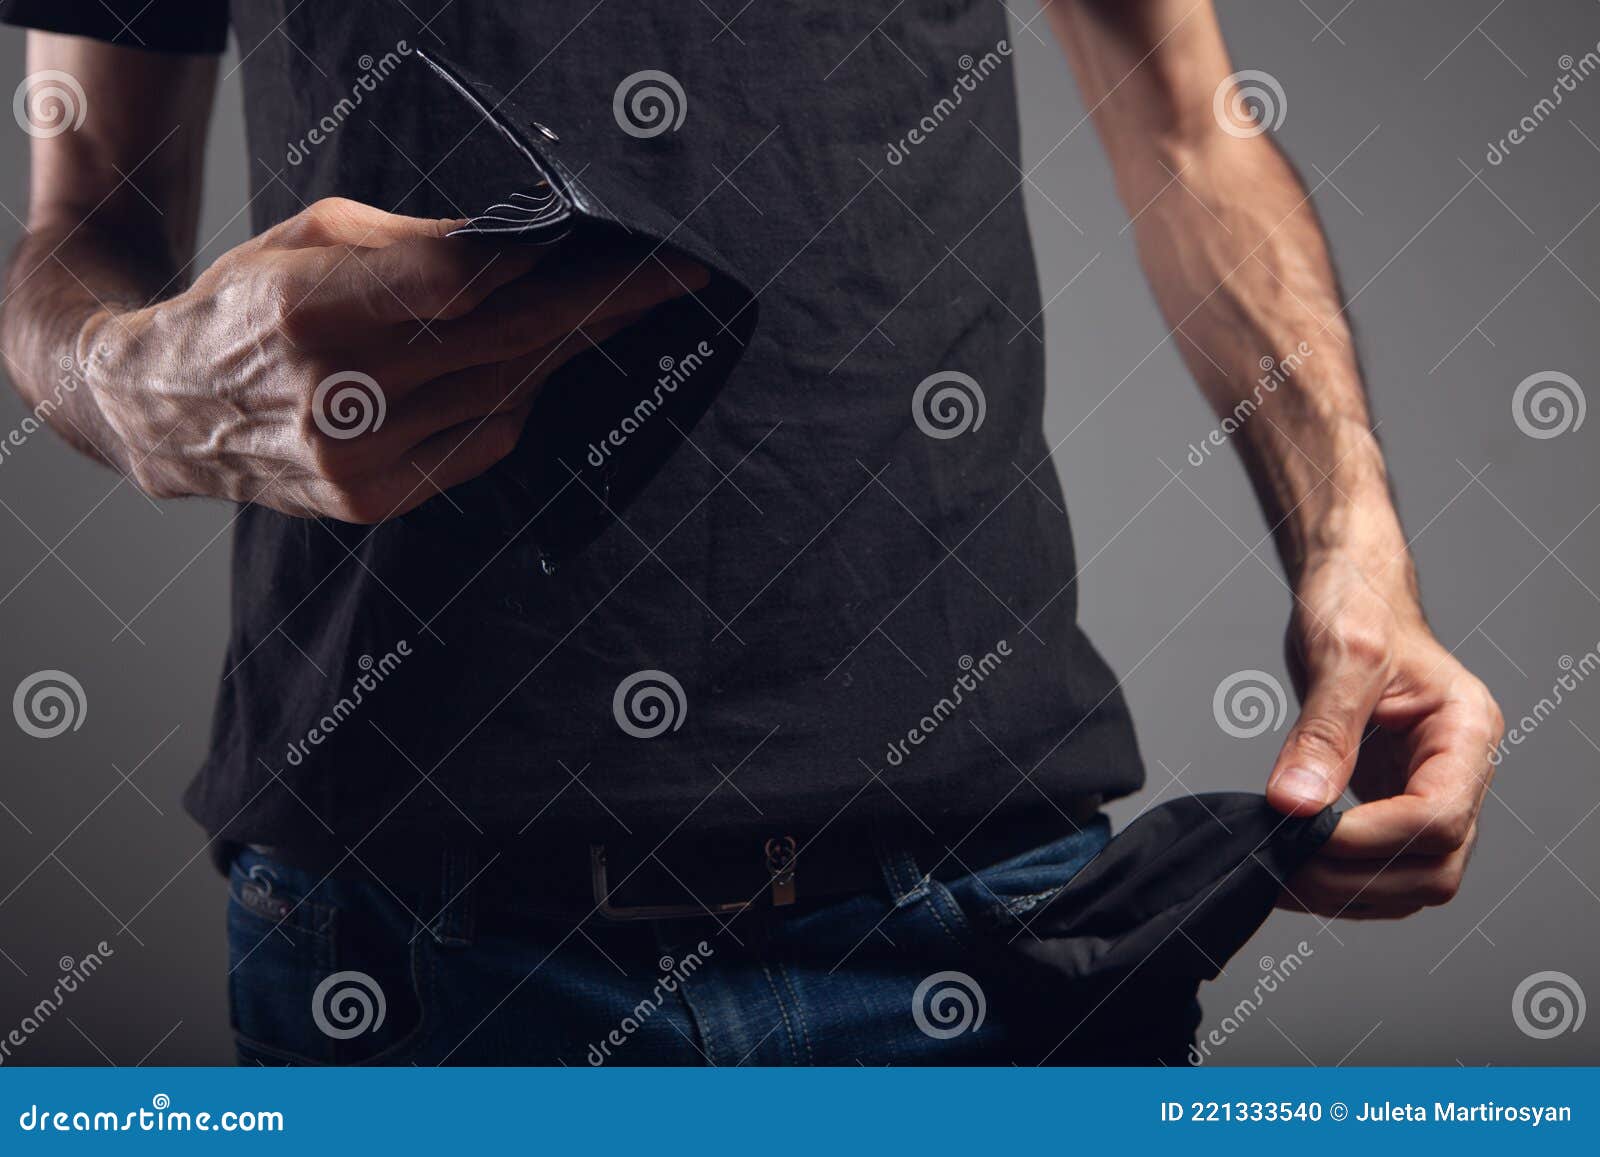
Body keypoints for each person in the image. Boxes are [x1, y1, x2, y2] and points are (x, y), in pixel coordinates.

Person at [0, 0, 1501, 1066]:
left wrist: (1354, 543)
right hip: (416, 954)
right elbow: (78, 222)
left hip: (983, 927)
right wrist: (118, 375)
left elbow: (1193, 130)